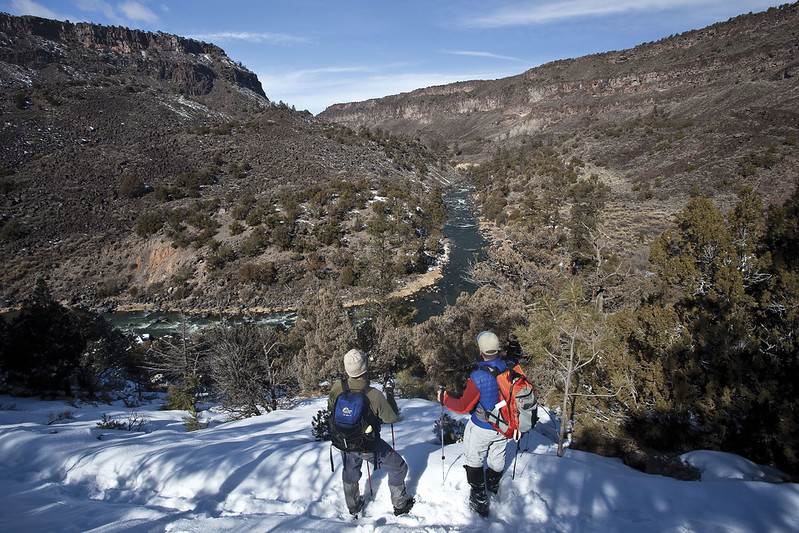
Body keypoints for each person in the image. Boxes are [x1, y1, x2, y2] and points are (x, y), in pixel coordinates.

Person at [328, 348, 414, 516]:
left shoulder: (338, 387)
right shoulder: (373, 394)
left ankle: (353, 506)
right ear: (365, 368)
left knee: (350, 470)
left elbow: (331, 408)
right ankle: (400, 505)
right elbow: (391, 418)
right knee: (399, 468)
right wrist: (389, 393)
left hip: (344, 441)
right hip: (368, 445)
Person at [437, 331, 509, 517]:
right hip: (504, 426)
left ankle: (480, 499)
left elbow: (463, 406)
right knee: (497, 458)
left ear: (481, 351)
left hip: (482, 427)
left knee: (473, 460)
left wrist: (444, 399)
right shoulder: (511, 368)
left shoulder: (478, 377)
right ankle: (492, 487)